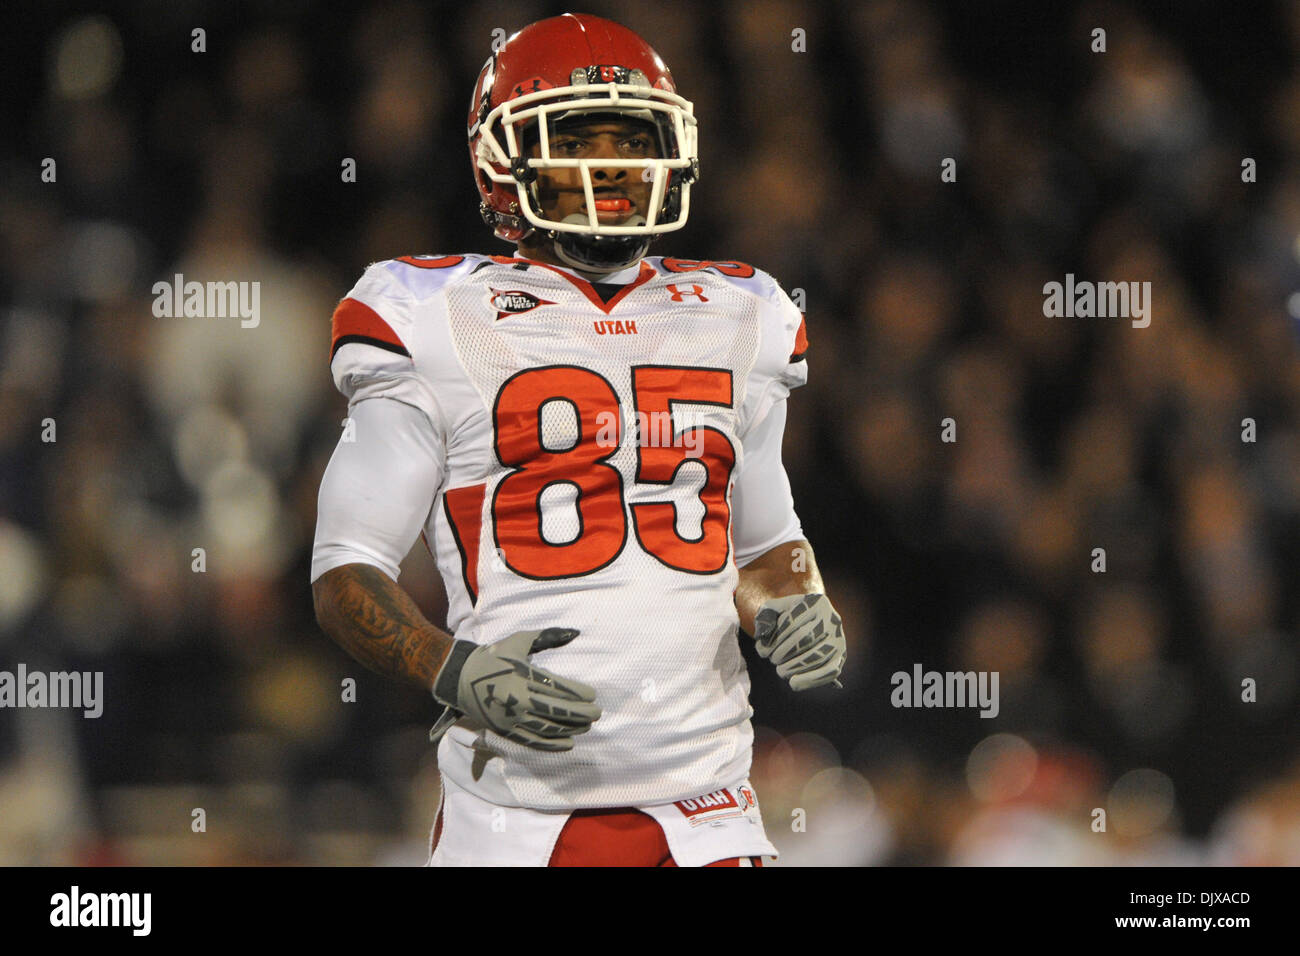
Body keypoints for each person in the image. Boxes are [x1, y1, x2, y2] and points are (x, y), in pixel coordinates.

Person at [311, 12, 846, 867]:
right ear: (503, 162)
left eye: (630, 142)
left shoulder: (745, 315)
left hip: (710, 808)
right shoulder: (430, 314)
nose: (612, 168)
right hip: (514, 817)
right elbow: (345, 570)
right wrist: (449, 669)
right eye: (577, 142)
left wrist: (795, 601)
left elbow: (768, 542)